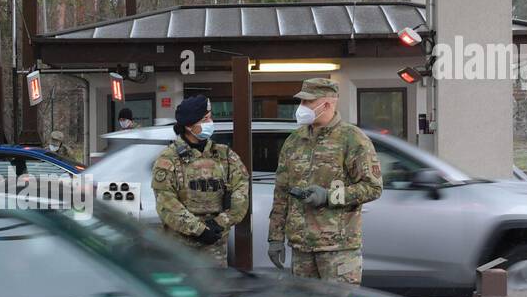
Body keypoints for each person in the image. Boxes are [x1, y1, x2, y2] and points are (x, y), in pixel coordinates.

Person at [267, 78, 382, 284]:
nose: (301, 108)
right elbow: (281, 193)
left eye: (307, 102)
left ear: (327, 104)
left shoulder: (352, 139)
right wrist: (275, 238)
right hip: (302, 248)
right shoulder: (294, 141)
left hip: (338, 249)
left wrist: (328, 196)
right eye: (301, 102)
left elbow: (372, 187)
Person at [150, 95, 250, 266]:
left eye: (210, 117)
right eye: (205, 119)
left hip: (215, 248)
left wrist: (220, 223)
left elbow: (241, 191)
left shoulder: (225, 155)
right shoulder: (169, 159)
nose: (210, 122)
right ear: (189, 126)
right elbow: (166, 203)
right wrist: (199, 230)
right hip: (180, 249)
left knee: (217, 290)